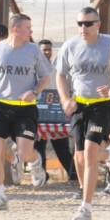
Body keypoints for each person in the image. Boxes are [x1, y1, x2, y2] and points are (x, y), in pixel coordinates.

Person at [0, 13, 54, 211]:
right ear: (16, 29)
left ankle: (36, 163)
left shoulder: (33, 51)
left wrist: (35, 91)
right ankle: (0, 195)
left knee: (24, 152)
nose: (31, 31)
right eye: (28, 28)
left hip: (25, 109)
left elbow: (46, 77)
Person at [56, 6, 110, 220]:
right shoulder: (70, 46)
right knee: (79, 156)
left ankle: (86, 207)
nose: (84, 28)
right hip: (80, 105)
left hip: (104, 105)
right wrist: (65, 99)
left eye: (88, 23)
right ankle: (109, 158)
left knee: (90, 151)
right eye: (80, 23)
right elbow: (60, 74)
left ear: (98, 24)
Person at [32, 39, 76, 187]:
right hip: (38, 112)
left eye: (49, 50)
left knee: (61, 146)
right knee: (39, 146)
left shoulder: (58, 67)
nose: (47, 52)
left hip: (56, 112)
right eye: (44, 49)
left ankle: (75, 176)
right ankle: (41, 176)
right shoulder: (33, 67)